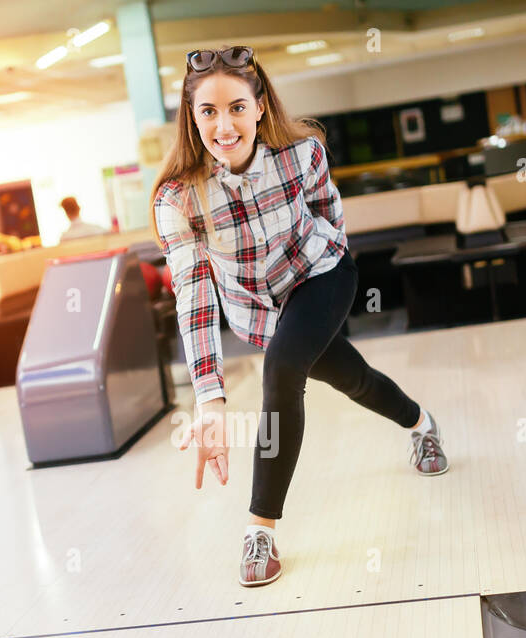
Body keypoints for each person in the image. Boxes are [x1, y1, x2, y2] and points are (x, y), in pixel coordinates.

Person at [149, 45, 447, 589]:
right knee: (354, 378)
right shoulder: (180, 199)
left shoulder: (302, 153)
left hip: (321, 274)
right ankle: (422, 424)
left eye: (237, 107)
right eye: (209, 112)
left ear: (260, 106)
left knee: (281, 370)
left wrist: (331, 261)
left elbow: (328, 209)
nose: (224, 125)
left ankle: (259, 530)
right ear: (192, 120)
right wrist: (210, 401)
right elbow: (193, 296)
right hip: (260, 314)